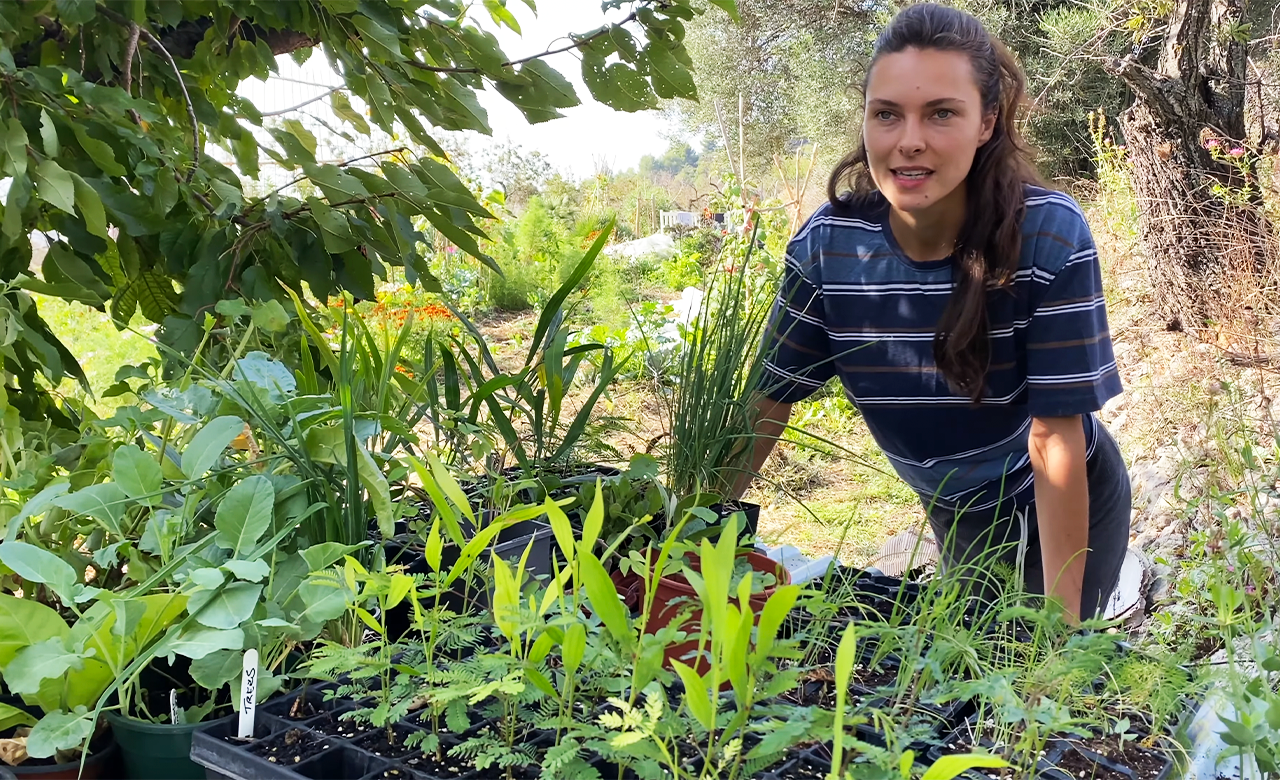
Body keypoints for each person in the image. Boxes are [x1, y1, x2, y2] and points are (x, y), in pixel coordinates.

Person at [733, 3, 1130, 621]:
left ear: (986, 123)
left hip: (1053, 501)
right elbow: (767, 402)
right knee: (965, 672)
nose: (908, 139)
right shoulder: (830, 248)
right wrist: (689, 533)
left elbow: (1055, 437)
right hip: (952, 506)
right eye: (886, 114)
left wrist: (1061, 625)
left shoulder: (1048, 238)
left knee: (1034, 682)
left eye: (941, 113)